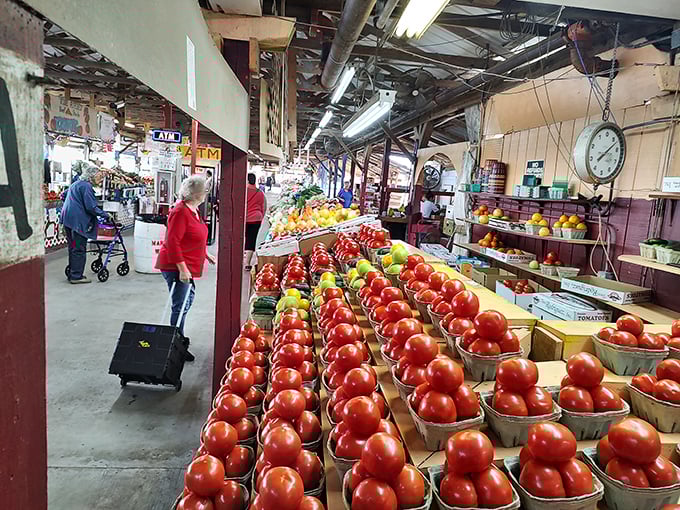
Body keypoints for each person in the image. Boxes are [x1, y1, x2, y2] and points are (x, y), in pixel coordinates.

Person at [156, 175, 216, 361]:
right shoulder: (180, 212)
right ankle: (175, 345)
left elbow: (193, 235)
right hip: (175, 265)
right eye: (204, 190)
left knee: (187, 301)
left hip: (188, 264)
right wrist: (182, 268)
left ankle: (178, 337)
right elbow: (172, 242)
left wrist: (205, 253)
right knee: (180, 306)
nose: (206, 193)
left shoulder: (194, 210)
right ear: (196, 193)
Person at [60, 164, 110, 284]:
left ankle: (73, 271)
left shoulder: (76, 184)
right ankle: (76, 276)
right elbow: (91, 207)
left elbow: (63, 195)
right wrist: (105, 214)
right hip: (78, 221)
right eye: (98, 176)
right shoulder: (86, 186)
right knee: (79, 248)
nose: (100, 179)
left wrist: (73, 204)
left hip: (67, 219)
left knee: (73, 247)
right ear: (91, 175)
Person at [245, 172, 267, 271]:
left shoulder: (243, 191)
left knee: (242, 238)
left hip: (243, 219)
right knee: (251, 239)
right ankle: (247, 263)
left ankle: (244, 257)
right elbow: (264, 207)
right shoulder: (260, 192)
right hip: (256, 219)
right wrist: (261, 216)